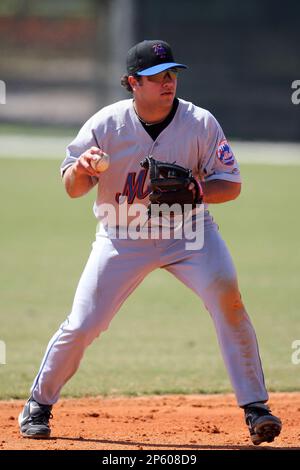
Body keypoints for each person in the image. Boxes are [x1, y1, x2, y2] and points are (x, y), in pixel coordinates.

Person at [19, 39, 281, 445]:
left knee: (228, 302)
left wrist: (196, 191)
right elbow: (73, 188)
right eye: (156, 76)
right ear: (132, 83)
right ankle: (38, 404)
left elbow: (230, 185)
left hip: (190, 234)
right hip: (122, 235)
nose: (168, 82)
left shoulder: (200, 122)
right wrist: (84, 170)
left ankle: (256, 408)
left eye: (172, 74)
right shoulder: (106, 124)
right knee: (85, 323)